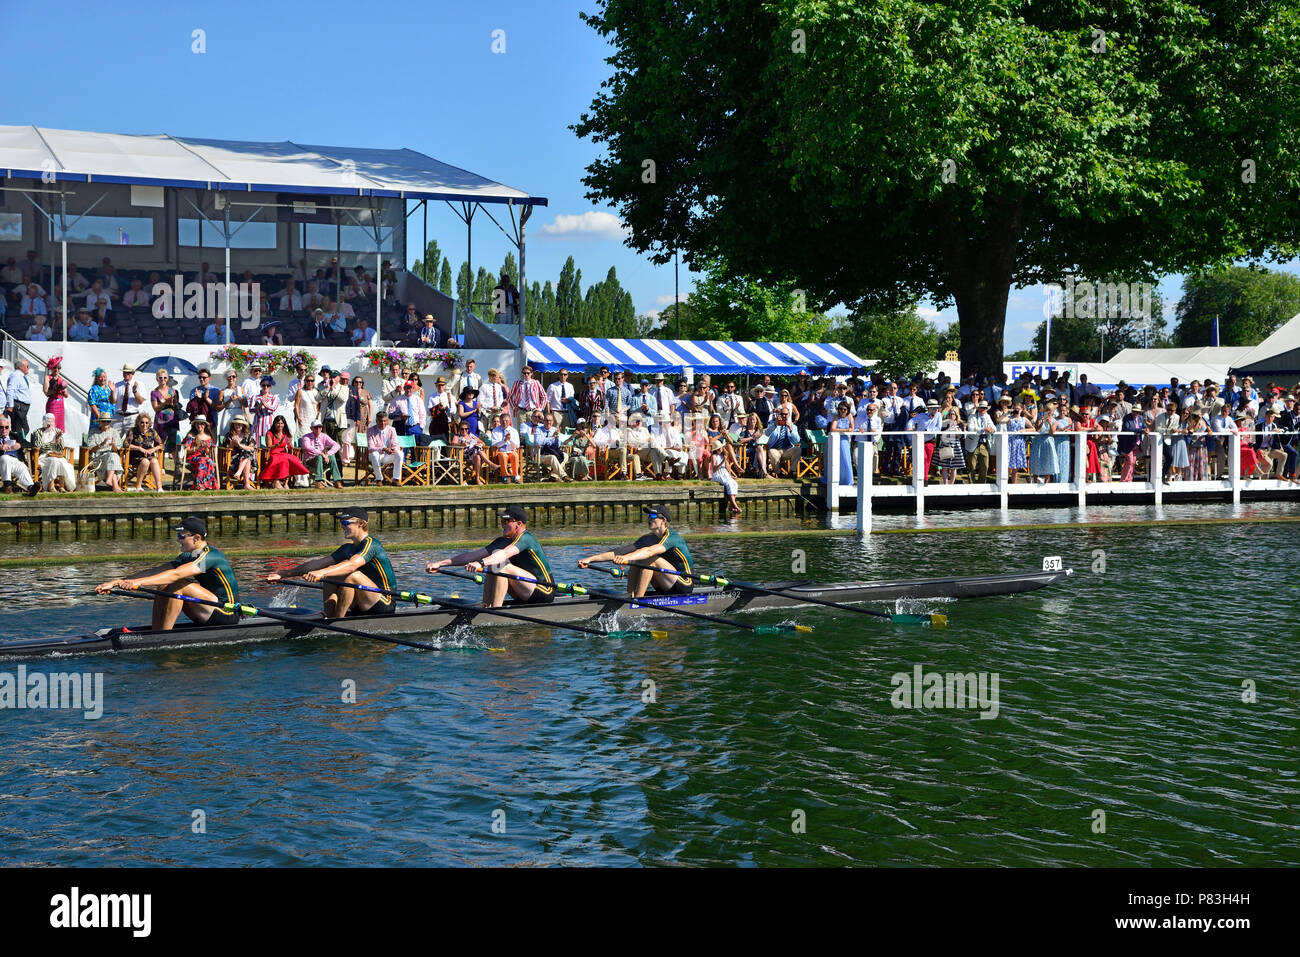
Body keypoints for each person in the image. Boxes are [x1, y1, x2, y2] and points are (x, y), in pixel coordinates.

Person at [95, 517, 241, 630]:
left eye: (182, 536)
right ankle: (157, 632)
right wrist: (118, 581)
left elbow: (176, 575)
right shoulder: (189, 555)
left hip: (227, 613)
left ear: (196, 538)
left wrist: (137, 583)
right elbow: (156, 571)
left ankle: (162, 636)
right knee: (163, 582)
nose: (178, 539)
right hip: (207, 609)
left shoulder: (210, 557)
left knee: (177, 584)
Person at [269, 508, 397, 618]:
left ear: (361, 524)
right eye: (341, 523)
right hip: (362, 601)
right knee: (330, 575)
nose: (342, 526)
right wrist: (283, 574)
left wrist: (321, 572)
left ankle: (338, 622)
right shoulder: (347, 548)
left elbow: (352, 565)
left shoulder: (372, 544)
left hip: (384, 602)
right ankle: (329, 617)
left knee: (352, 575)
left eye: (346, 522)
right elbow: (317, 564)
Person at [426, 505, 554, 606]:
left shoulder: (526, 538)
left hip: (545, 590)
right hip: (524, 590)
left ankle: (495, 612)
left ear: (518, 524)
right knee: (494, 565)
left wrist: (481, 563)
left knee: (501, 566)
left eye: (506, 521)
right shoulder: (502, 541)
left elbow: (504, 554)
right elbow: (472, 556)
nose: (502, 524)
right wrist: (440, 564)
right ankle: (487, 606)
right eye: (501, 520)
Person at [579, 505, 693, 597]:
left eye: (653, 515)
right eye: (648, 515)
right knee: (637, 559)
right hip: (665, 583)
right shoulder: (647, 539)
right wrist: (590, 559)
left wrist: (627, 558)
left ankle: (638, 599)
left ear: (663, 520)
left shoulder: (672, 537)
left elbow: (649, 552)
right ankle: (630, 595)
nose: (649, 518)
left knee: (647, 558)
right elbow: (619, 551)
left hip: (684, 584)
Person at [260, 415, 309, 490]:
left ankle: (286, 483)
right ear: (275, 424)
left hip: (283, 453)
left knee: (292, 459)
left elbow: (290, 448)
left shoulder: (286, 433)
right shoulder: (270, 433)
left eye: (281, 423)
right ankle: (276, 481)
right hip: (274, 454)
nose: (280, 425)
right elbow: (269, 446)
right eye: (278, 423)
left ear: (284, 424)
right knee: (284, 460)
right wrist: (278, 444)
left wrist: (289, 443)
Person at [33, 413, 75, 493]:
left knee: (62, 462)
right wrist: (52, 443)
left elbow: (61, 448)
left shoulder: (57, 431)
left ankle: (62, 487)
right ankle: (51, 486)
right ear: (44, 421)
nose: (50, 423)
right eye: (48, 421)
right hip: (44, 455)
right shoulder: (38, 432)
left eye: (52, 421)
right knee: (54, 461)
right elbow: (38, 446)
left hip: (57, 455)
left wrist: (58, 441)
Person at [85, 412, 125, 492]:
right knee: (114, 459)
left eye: (108, 421)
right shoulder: (93, 431)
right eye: (104, 421)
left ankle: (111, 482)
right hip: (98, 458)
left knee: (113, 456)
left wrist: (113, 445)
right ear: (99, 422)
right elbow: (92, 449)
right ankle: (115, 486)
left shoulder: (114, 432)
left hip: (111, 457)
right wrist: (102, 444)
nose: (106, 423)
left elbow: (116, 450)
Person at [126, 412, 165, 491]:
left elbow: (161, 445)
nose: (144, 424)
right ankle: (138, 486)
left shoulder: (152, 432)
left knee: (154, 461)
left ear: (149, 423)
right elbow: (126, 444)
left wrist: (153, 449)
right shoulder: (132, 431)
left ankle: (159, 487)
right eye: (142, 422)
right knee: (145, 462)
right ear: (138, 422)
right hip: (135, 457)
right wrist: (139, 448)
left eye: (146, 422)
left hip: (149, 455)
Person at [0, 415, 39, 495]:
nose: (4, 429)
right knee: (5, 458)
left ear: (9, 428)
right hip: (2, 462)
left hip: (16, 460)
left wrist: (19, 445)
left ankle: (31, 488)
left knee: (22, 468)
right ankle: (7, 487)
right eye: (1, 427)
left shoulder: (15, 436)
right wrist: (0, 447)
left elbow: (30, 444)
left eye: (6, 427)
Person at [301, 420, 343, 488]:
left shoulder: (324, 436)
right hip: (310, 461)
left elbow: (337, 445)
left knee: (331, 456)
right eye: (316, 427)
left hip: (322, 461)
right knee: (319, 456)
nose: (318, 429)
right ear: (311, 428)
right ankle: (318, 481)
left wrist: (328, 454)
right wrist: (321, 453)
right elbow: (307, 447)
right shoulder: (306, 437)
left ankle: (337, 480)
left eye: (320, 427)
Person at [707, 437, 743, 515]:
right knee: (728, 484)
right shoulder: (714, 456)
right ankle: (734, 505)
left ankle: (731, 505)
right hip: (717, 474)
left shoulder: (723, 456)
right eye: (718, 448)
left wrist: (732, 475)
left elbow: (728, 468)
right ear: (715, 449)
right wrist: (722, 461)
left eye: (721, 448)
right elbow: (715, 469)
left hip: (724, 473)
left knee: (734, 483)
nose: (720, 449)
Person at [183, 415, 220, 490]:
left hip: (204, 458)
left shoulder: (209, 437)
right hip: (192, 458)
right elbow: (186, 450)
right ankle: (199, 485)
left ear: (205, 425)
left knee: (209, 460)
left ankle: (209, 485)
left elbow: (209, 453)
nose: (200, 426)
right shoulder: (191, 436)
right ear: (195, 425)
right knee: (203, 460)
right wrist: (197, 448)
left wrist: (206, 448)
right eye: (198, 424)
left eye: (202, 424)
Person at [763, 409, 802, 478]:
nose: (784, 416)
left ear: (789, 415)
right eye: (782, 414)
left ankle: (792, 472)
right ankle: (779, 473)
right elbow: (766, 433)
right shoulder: (773, 424)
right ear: (779, 415)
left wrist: (791, 429)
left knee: (798, 449)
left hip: (787, 450)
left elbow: (797, 440)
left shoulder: (793, 426)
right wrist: (775, 424)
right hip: (775, 449)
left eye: (786, 414)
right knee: (771, 452)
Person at [367, 410, 403, 484]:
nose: (383, 423)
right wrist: (383, 449)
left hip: (388, 455)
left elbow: (395, 444)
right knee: (374, 454)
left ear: (387, 421)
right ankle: (379, 479)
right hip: (376, 456)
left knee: (400, 453)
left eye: (385, 421)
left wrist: (393, 450)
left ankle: (396, 479)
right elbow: (371, 448)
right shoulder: (370, 430)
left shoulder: (392, 430)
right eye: (381, 421)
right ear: (376, 421)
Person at [223, 416, 259, 490]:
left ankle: (239, 472)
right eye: (236, 424)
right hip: (234, 461)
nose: (238, 425)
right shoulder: (229, 435)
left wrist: (241, 446)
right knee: (247, 458)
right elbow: (226, 448)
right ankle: (246, 485)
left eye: (240, 424)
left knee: (245, 452)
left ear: (243, 425)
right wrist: (232, 444)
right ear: (233, 425)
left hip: (246, 459)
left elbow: (253, 448)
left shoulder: (248, 436)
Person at [5, 358, 32, 442]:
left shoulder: (20, 376)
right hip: (18, 407)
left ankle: (15, 446)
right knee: (19, 430)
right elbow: (10, 390)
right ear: (21, 367)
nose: (29, 368)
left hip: (22, 408)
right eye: (27, 366)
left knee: (23, 429)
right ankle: (14, 449)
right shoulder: (16, 375)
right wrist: (10, 406)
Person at [44, 357, 69, 431]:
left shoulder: (62, 380)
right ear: (51, 368)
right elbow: (46, 392)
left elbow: (66, 395)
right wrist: (55, 390)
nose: (57, 370)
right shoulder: (48, 377)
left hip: (60, 403)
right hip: (52, 403)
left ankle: (58, 441)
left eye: (59, 368)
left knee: (59, 427)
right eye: (55, 367)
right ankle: (50, 441)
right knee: (51, 424)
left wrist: (63, 391)